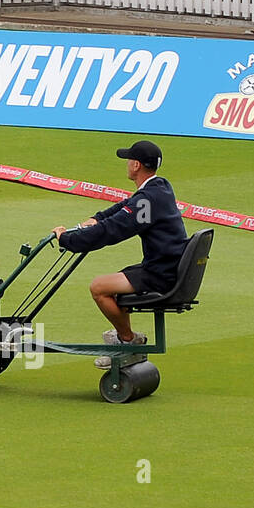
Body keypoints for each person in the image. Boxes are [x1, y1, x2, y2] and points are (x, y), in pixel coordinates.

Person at [51, 141, 189, 368]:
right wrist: (97, 219)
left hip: (160, 273)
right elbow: (125, 207)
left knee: (99, 288)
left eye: (128, 160)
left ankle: (127, 339)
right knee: (116, 283)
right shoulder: (160, 188)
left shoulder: (147, 200)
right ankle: (126, 337)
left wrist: (68, 240)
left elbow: (114, 230)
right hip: (166, 265)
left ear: (136, 165)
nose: (126, 164)